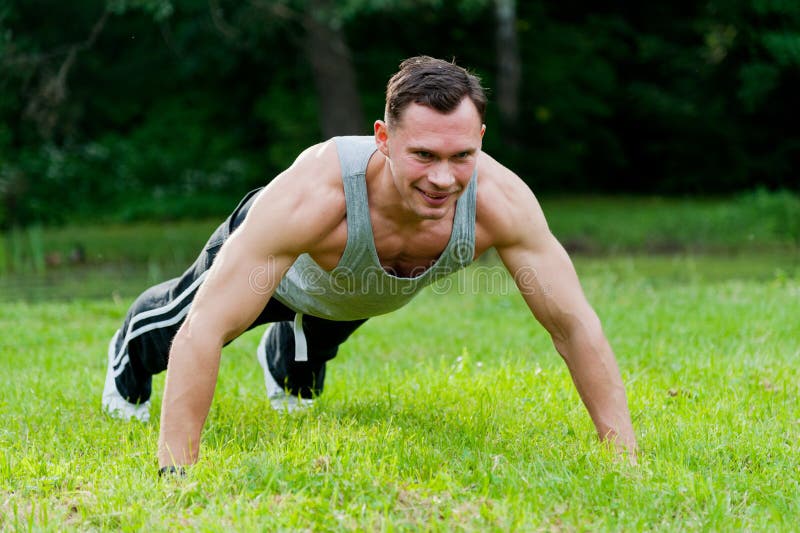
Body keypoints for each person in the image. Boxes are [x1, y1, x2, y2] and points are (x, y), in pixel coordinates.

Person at [102, 56, 637, 473]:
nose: (444, 179)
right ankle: (126, 361)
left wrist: (624, 460)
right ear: (383, 139)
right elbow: (205, 328)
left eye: (461, 157)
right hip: (283, 270)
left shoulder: (503, 204)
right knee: (175, 323)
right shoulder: (315, 193)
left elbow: (573, 324)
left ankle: (286, 356)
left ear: (480, 140)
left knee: (306, 368)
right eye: (423, 156)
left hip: (362, 287)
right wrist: (177, 473)